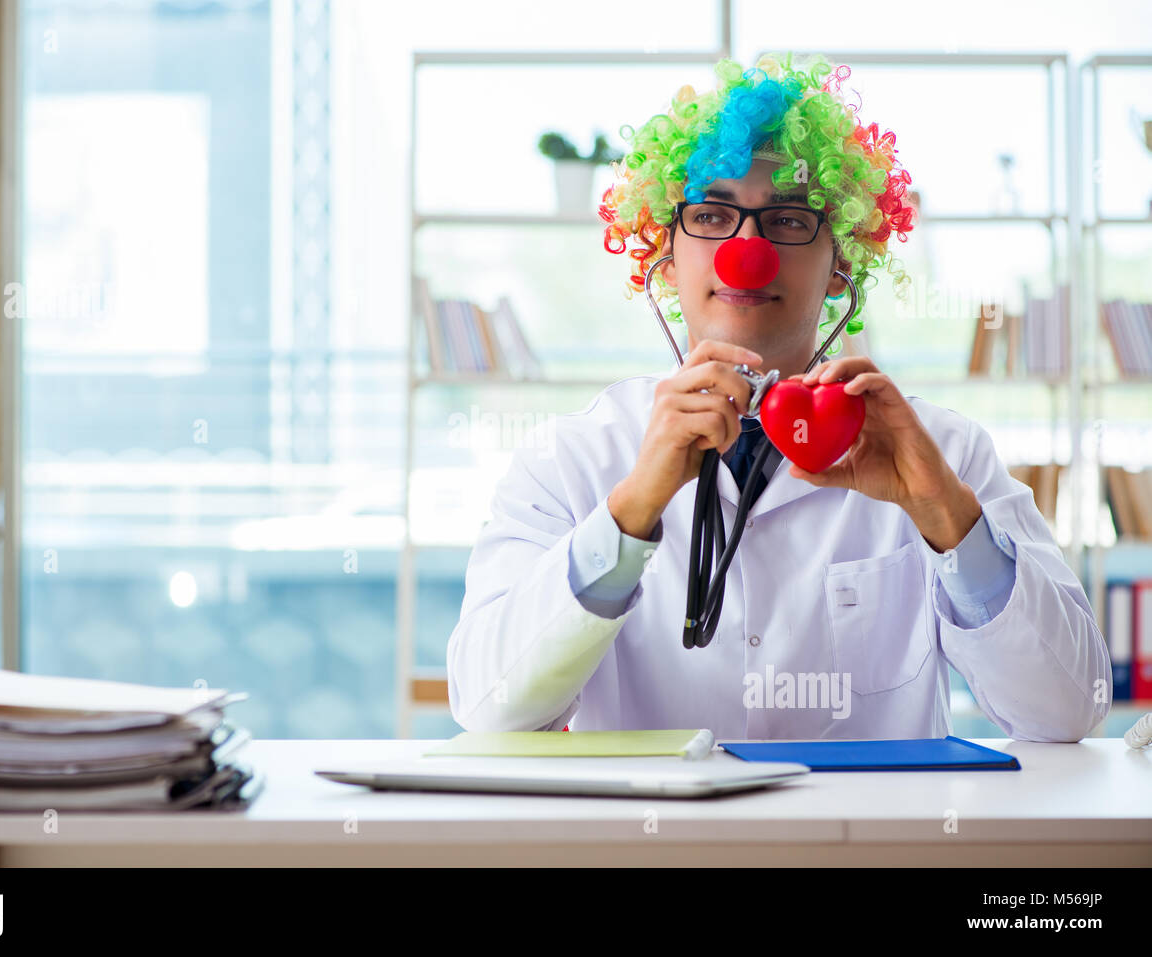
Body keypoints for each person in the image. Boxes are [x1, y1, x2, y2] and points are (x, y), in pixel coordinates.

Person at [445, 52, 1111, 741]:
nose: (748, 249)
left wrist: (944, 512)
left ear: (839, 264)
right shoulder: (571, 459)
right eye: (711, 214)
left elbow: (1067, 711)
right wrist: (629, 512)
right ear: (664, 259)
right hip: (654, 846)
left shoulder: (945, 455)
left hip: (864, 846)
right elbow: (490, 707)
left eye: (790, 219)